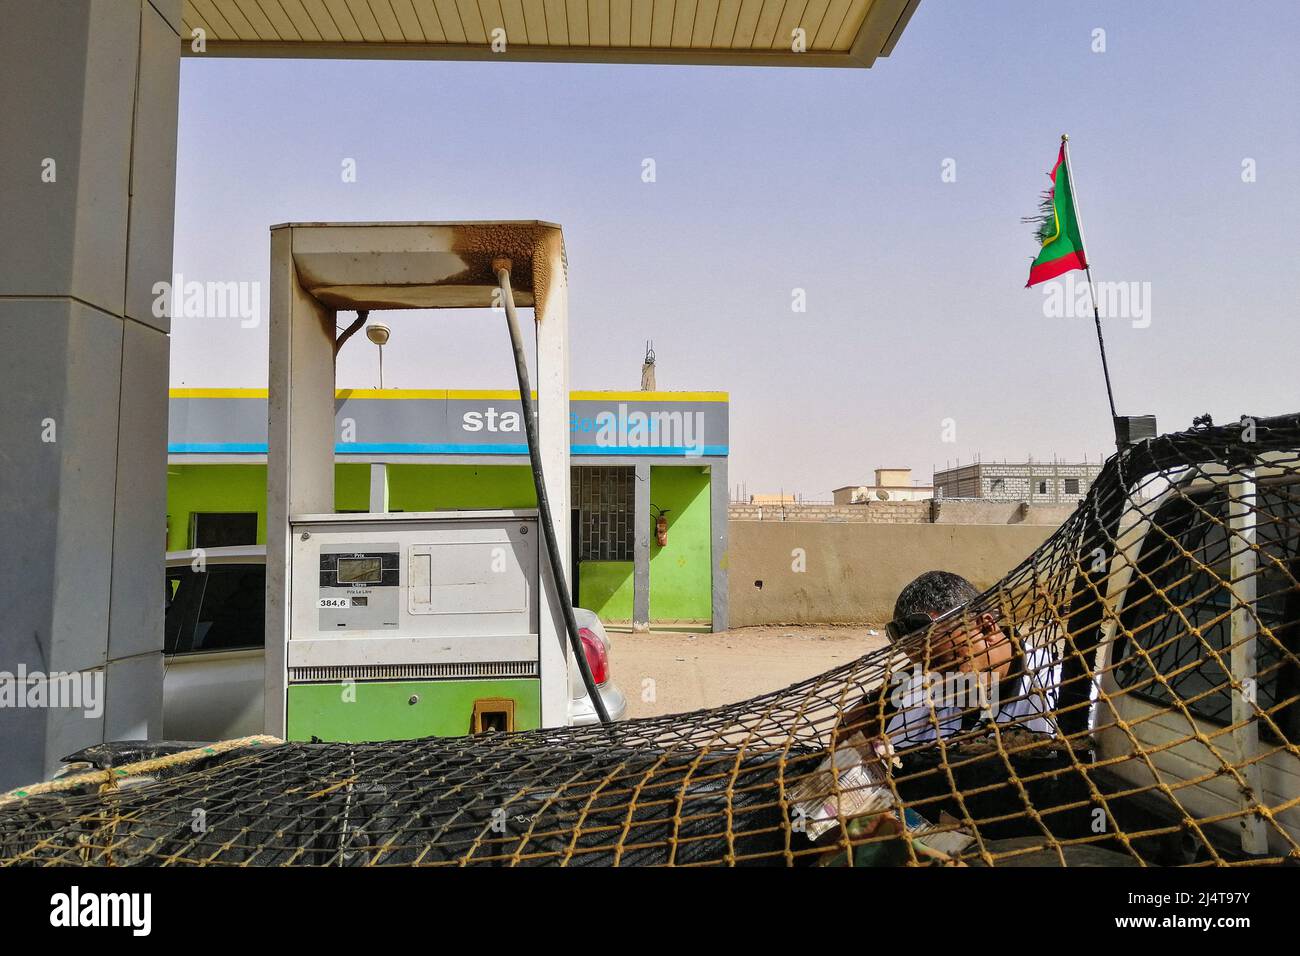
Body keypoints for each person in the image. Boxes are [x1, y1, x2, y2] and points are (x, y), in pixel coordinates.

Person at [838, 571, 1060, 747]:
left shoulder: (1056, 690)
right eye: (921, 665)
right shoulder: (917, 687)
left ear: (986, 627)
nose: (935, 680)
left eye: (948, 664)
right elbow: (844, 737)